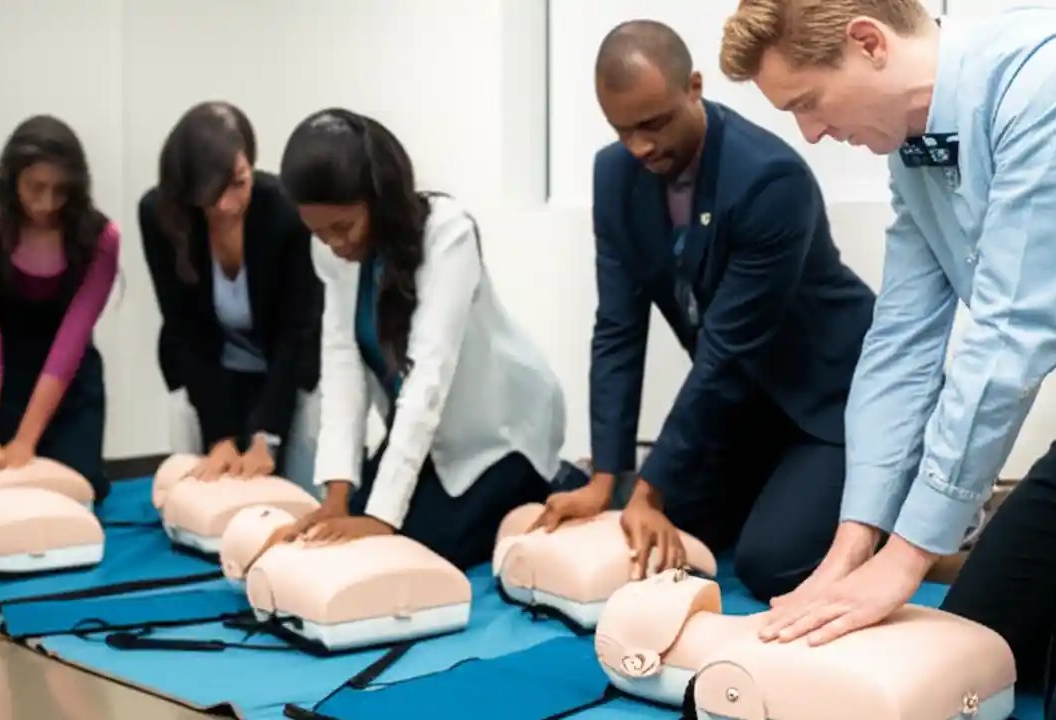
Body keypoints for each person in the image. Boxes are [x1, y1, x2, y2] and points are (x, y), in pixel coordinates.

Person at [721, 1, 1056, 717]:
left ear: (868, 42)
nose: (811, 133)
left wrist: (905, 561)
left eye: (808, 103)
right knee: (962, 649)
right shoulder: (917, 147)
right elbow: (901, 340)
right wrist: (853, 548)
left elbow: (1012, 333)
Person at [534, 20, 876, 601]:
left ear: (694, 87)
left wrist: (649, 492)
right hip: (744, 409)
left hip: (830, 402)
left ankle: (897, 515)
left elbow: (727, 354)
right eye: (623, 130)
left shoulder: (769, 179)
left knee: (770, 564)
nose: (640, 146)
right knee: (662, 527)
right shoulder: (614, 175)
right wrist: (605, 478)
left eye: (654, 124)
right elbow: (617, 329)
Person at [274, 108, 567, 570]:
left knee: (418, 550)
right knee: (343, 532)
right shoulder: (329, 251)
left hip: (502, 432)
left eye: (342, 227)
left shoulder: (448, 233)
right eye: (318, 232)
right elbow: (341, 367)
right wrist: (335, 497)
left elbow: (428, 378)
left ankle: (557, 481)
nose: (333, 244)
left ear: (378, 200)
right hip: (425, 437)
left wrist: (381, 520)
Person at [139, 102, 322, 489]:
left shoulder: (286, 213)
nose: (227, 204)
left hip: (287, 368)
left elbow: (297, 330)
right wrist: (219, 437)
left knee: (296, 492)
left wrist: (265, 436)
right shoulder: (159, 214)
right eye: (212, 192)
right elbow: (184, 327)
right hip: (207, 370)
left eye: (239, 182)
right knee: (200, 489)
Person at [0, 115, 118, 501]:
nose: (47, 203)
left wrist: (26, 440)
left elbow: (71, 341)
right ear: (12, 179)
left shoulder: (100, 239)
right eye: (36, 188)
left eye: (61, 191)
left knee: (76, 487)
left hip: (66, 377)